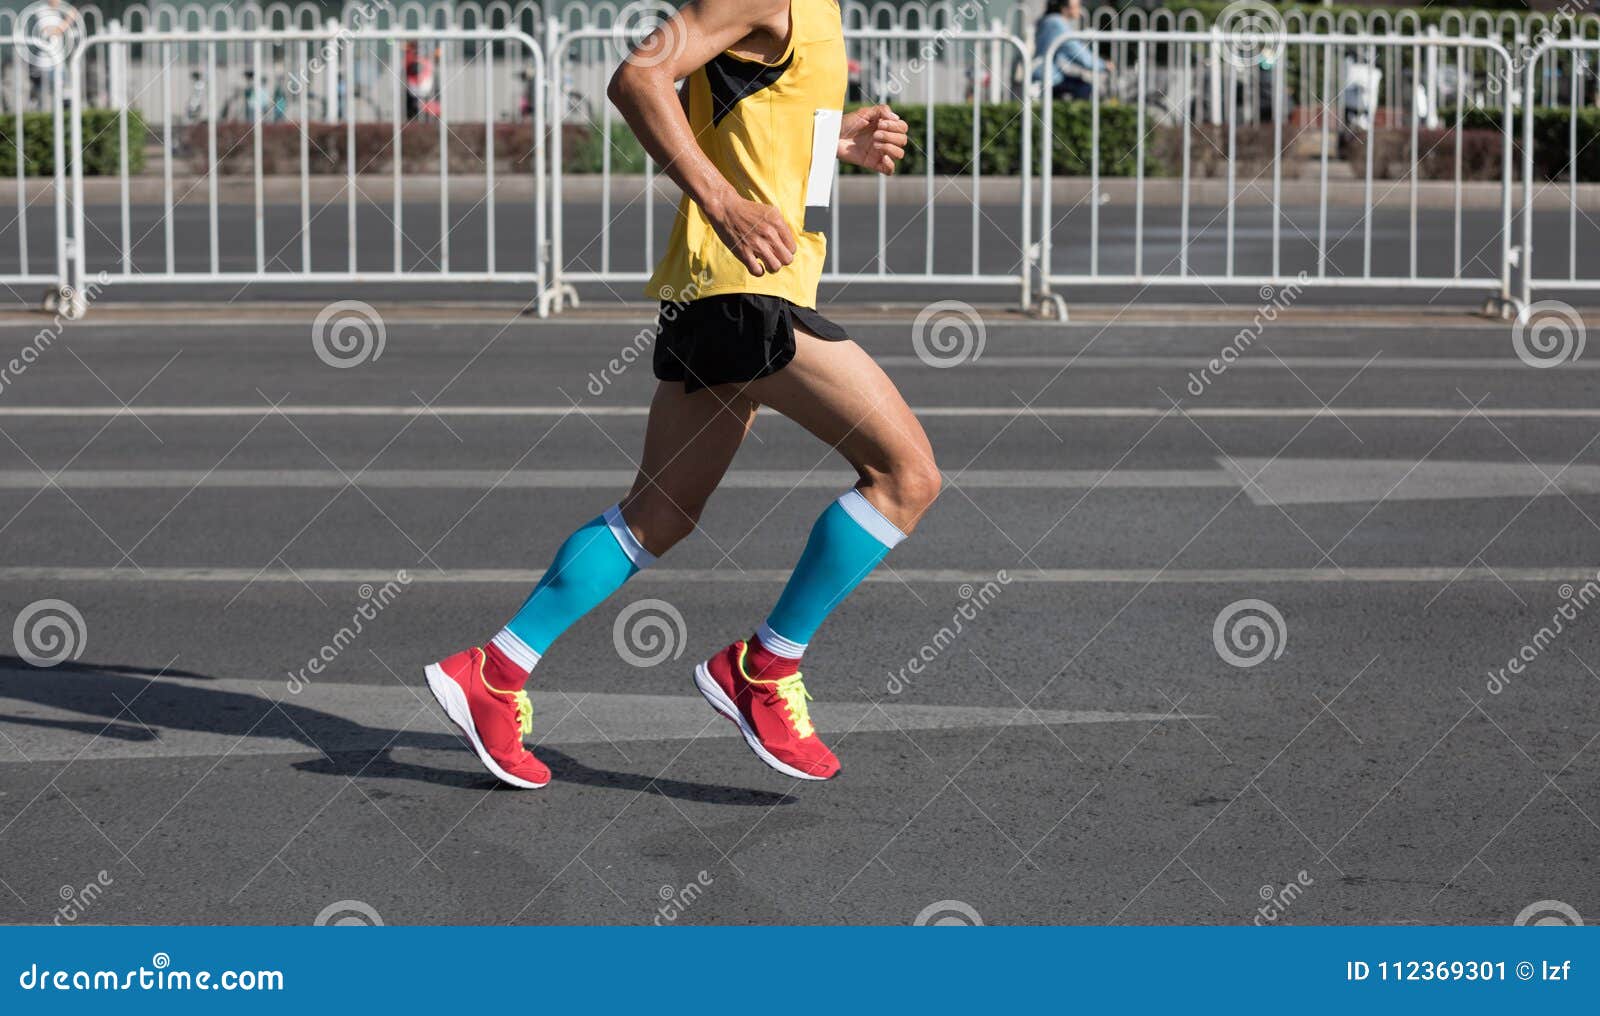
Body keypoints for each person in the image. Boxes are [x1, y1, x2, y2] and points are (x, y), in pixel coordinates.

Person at [423, 0, 936, 788]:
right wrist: (722, 204)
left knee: (657, 514)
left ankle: (494, 671)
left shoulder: (819, 10)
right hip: (745, 295)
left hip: (727, 293)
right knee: (906, 477)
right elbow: (639, 79)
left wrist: (838, 143)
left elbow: (754, 130)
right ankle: (764, 669)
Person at [1035, 0, 1110, 101]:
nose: (1080, 9)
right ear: (1064, 8)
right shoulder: (1057, 23)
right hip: (1049, 77)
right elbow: (1078, 53)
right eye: (1077, 6)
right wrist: (1103, 64)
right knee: (1085, 88)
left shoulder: (1050, 20)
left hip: (1048, 74)